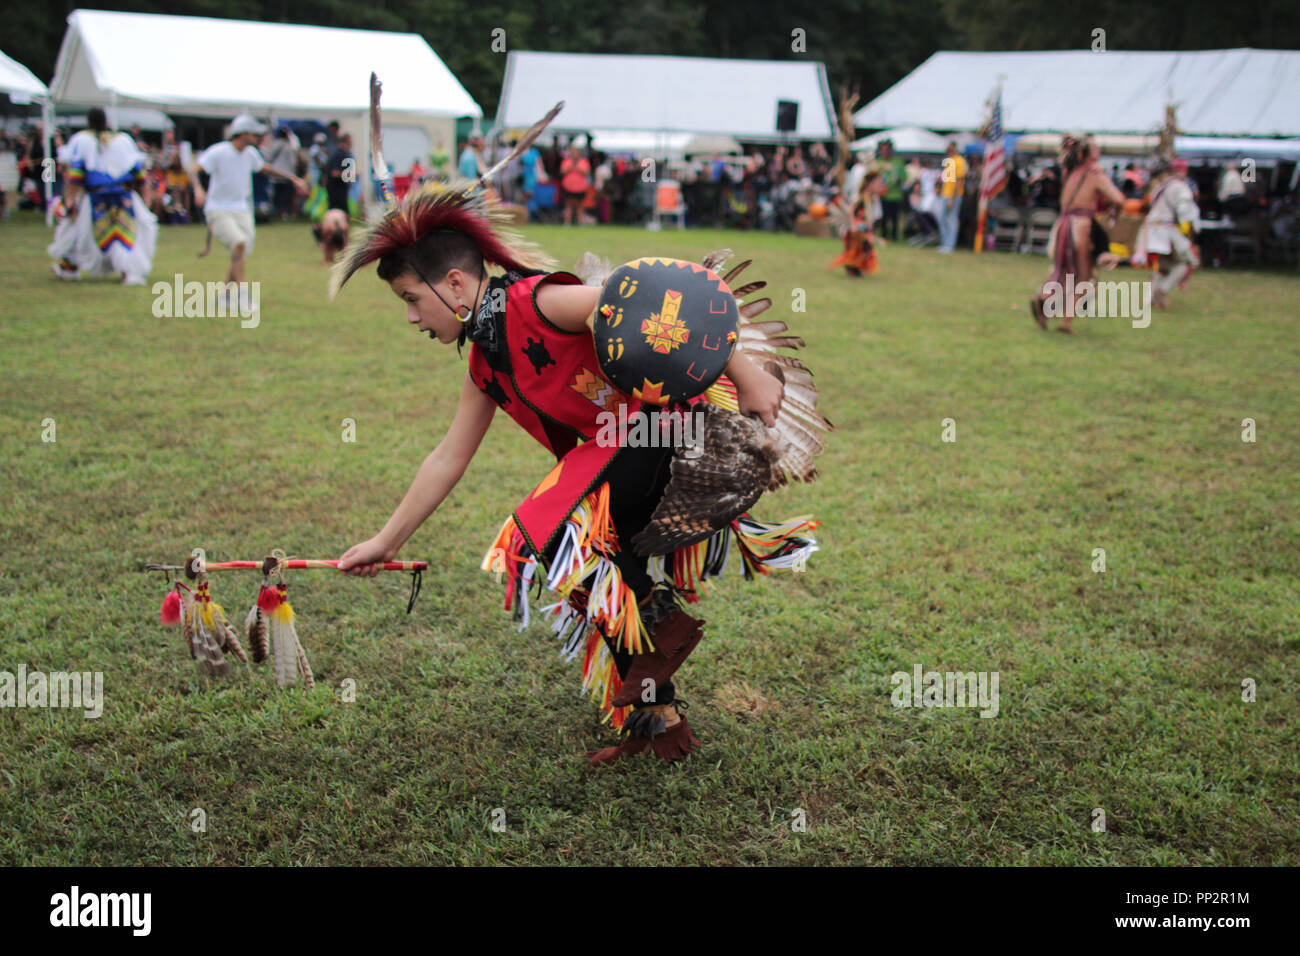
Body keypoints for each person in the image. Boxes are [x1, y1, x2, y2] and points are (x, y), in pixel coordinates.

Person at [330, 182, 827, 764]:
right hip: (618, 457)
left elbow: (659, 299)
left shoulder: (536, 303)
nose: (412, 316)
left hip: (660, 432)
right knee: (606, 587)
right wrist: (387, 541)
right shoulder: (484, 361)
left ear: (456, 284)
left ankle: (664, 625)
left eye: (413, 298)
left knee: (552, 527)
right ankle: (660, 730)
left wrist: (744, 373)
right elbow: (447, 456)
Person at [192, 114, 307, 295]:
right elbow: (195, 169)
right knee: (239, 244)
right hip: (219, 209)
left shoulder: (251, 154)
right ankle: (242, 295)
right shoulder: (219, 151)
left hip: (242, 210)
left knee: (241, 252)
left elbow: (266, 169)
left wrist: (292, 179)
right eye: (254, 134)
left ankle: (226, 295)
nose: (258, 138)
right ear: (243, 134)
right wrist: (198, 189)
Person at [47, 107, 158, 285]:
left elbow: (74, 176)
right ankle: (129, 272)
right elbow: (140, 174)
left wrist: (69, 199)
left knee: (79, 232)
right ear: (106, 121)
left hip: (97, 198)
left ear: (88, 121)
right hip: (123, 197)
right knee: (123, 236)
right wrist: (146, 198)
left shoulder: (81, 140)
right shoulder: (123, 140)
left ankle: (72, 268)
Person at [1029, 133, 1126, 333]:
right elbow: (1119, 199)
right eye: (1094, 147)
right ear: (1086, 153)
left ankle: (1044, 301)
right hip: (1081, 226)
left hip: (1062, 225)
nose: (1098, 149)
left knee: (1061, 272)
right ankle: (1064, 321)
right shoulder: (1094, 173)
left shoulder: (1069, 172)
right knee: (1084, 277)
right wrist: (1115, 214)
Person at [1135, 158, 1200, 309]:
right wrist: (1189, 230)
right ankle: (1163, 290)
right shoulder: (1179, 187)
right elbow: (1185, 211)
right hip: (1167, 229)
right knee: (1190, 261)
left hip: (1153, 229)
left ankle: (1151, 296)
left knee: (1164, 265)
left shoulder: (1160, 186)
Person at [829, 172, 884, 276]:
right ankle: (852, 267)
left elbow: (870, 215)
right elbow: (852, 210)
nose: (880, 186)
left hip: (862, 227)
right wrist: (854, 224)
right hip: (857, 227)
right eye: (878, 183)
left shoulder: (871, 197)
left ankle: (856, 267)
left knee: (864, 249)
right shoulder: (862, 195)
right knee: (856, 249)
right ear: (870, 184)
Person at [937, 141, 967, 253]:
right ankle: (945, 242)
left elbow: (959, 181)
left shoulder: (959, 161)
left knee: (952, 219)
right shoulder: (949, 161)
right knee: (942, 218)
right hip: (945, 194)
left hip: (953, 195)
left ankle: (950, 245)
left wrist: (952, 198)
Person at [877, 140, 907, 240]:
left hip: (895, 195)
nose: (884, 152)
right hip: (882, 195)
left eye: (886, 149)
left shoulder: (898, 162)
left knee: (894, 217)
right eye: (883, 150)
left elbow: (904, 176)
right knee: (884, 217)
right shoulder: (879, 161)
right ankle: (884, 235)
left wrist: (897, 179)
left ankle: (894, 237)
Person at [559, 142, 590, 226]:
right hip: (568, 186)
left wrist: (577, 167)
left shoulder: (584, 162)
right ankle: (567, 222)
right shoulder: (566, 161)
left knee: (580, 206)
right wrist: (572, 165)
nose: (575, 154)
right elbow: (563, 171)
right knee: (568, 205)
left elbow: (586, 172)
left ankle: (581, 222)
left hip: (580, 187)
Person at [324, 132, 353, 213]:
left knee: (335, 209)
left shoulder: (337, 152)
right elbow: (335, 172)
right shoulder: (340, 153)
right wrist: (350, 175)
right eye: (350, 142)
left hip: (336, 187)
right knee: (339, 210)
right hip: (337, 188)